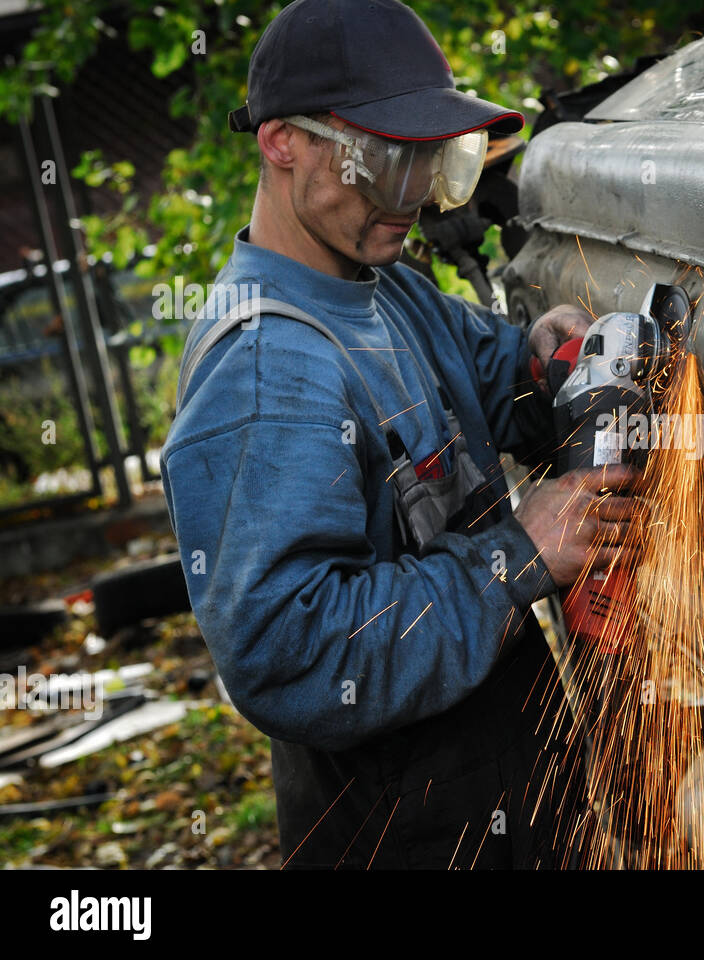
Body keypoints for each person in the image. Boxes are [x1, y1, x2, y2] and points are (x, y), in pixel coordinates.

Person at [161, 0, 638, 869]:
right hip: (404, 827)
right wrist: (517, 555)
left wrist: (547, 356)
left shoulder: (383, 284)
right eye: (382, 162)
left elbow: (493, 382)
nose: (413, 198)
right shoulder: (267, 369)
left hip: (502, 779)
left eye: (434, 165)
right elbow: (288, 653)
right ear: (281, 143)